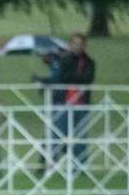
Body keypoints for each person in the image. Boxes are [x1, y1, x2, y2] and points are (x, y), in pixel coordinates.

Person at [39, 33, 95, 169]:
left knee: (80, 137)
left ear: (85, 45)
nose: (77, 47)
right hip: (62, 102)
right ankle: (48, 164)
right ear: (70, 45)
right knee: (57, 134)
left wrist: (74, 77)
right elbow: (63, 78)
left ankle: (79, 166)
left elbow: (87, 79)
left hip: (81, 103)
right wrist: (76, 77)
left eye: (80, 44)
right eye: (74, 43)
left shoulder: (89, 62)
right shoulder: (64, 60)